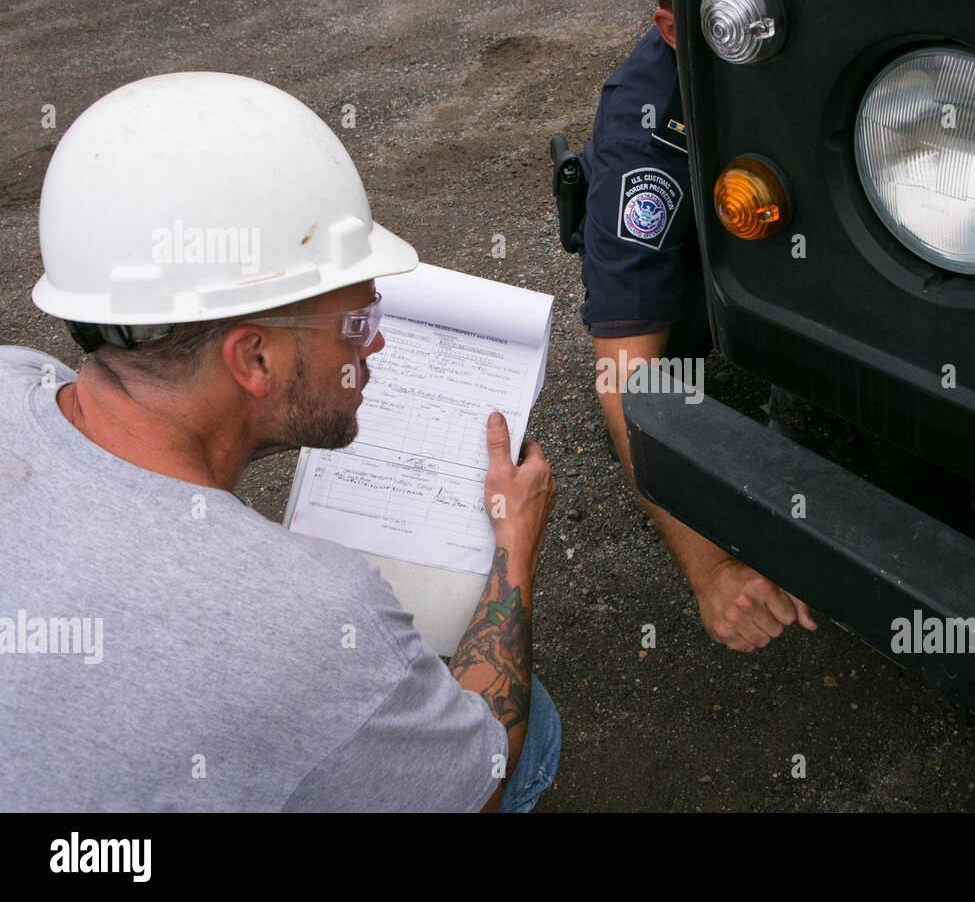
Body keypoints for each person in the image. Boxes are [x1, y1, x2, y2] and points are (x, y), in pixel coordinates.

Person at [0, 71, 558, 812]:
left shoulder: (13, 378)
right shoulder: (310, 621)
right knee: (532, 725)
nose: (379, 341)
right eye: (357, 323)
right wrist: (514, 550)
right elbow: (479, 780)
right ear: (253, 358)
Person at [573, 0, 817, 653]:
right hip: (698, 290)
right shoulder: (647, 131)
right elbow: (627, 376)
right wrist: (712, 569)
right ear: (675, 30)